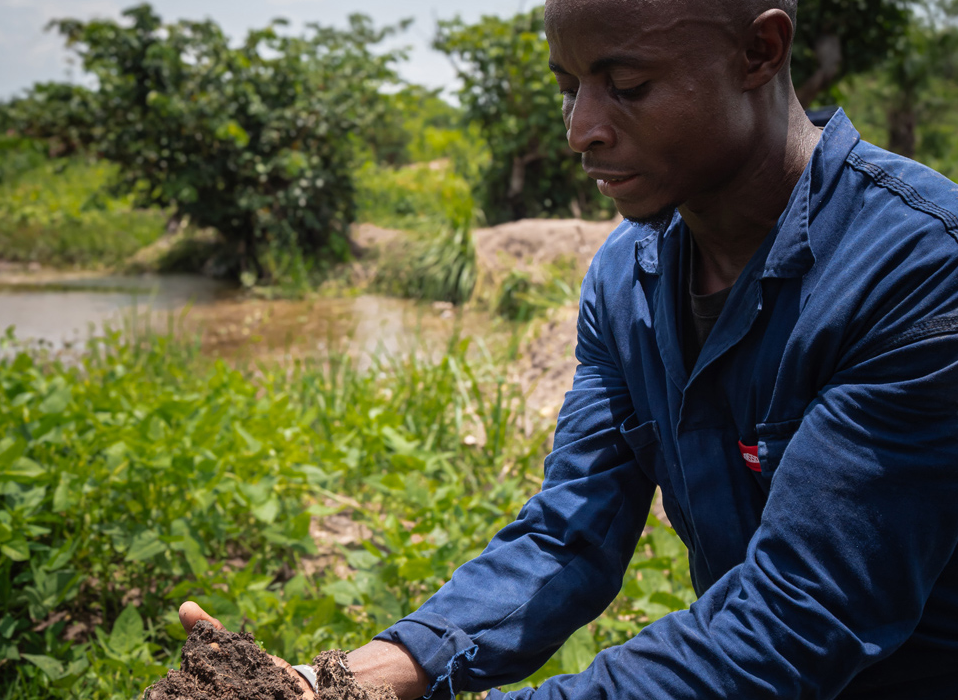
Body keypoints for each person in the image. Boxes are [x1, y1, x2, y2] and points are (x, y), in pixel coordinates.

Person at [182, 0, 958, 697]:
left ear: (759, 53)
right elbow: (570, 534)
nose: (581, 128)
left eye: (627, 85)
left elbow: (797, 622)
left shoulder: (917, 270)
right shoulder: (628, 276)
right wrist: (344, 683)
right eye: (570, 84)